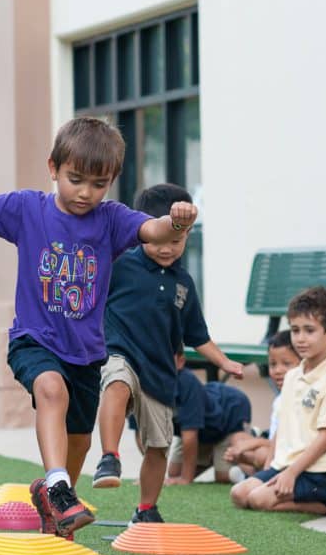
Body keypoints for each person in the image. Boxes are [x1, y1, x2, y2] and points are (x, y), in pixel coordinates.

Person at [0, 117, 197, 538]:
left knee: (78, 439)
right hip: (34, 339)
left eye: (98, 184)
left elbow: (151, 229)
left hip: (85, 352)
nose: (85, 193)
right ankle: (59, 486)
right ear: (53, 168)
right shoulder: (27, 209)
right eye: (75, 179)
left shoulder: (111, 219)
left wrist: (176, 223)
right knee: (51, 390)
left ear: (112, 182)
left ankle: (56, 503)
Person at [90, 182, 243, 524]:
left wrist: (224, 362)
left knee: (158, 445)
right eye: (159, 240)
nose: (167, 249)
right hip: (121, 353)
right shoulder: (119, 265)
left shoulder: (183, 283)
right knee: (116, 384)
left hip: (160, 373)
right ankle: (109, 456)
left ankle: (146, 508)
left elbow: (197, 335)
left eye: (177, 241)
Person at [229, 286, 326, 515]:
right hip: (287, 464)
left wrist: (291, 473)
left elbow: (325, 439)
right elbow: (284, 425)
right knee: (239, 493)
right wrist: (270, 467)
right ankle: (285, 487)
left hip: (321, 472)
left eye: (309, 330)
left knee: (259, 500)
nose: (300, 339)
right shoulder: (293, 375)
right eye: (295, 330)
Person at [167, 353, 252, 487]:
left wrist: (186, 479)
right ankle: (212, 454)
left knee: (223, 476)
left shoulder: (187, 381)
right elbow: (142, 431)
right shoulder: (144, 381)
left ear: (180, 361)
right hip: (199, 431)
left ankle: (249, 437)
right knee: (173, 474)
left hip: (229, 417)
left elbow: (190, 436)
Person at [222, 330, 299, 476]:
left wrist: (254, 443)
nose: (277, 370)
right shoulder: (279, 400)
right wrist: (243, 447)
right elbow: (273, 440)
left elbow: (284, 445)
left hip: (288, 457)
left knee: (261, 454)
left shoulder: (300, 400)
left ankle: (251, 474)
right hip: (271, 447)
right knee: (237, 439)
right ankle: (250, 472)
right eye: (273, 364)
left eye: (286, 364)